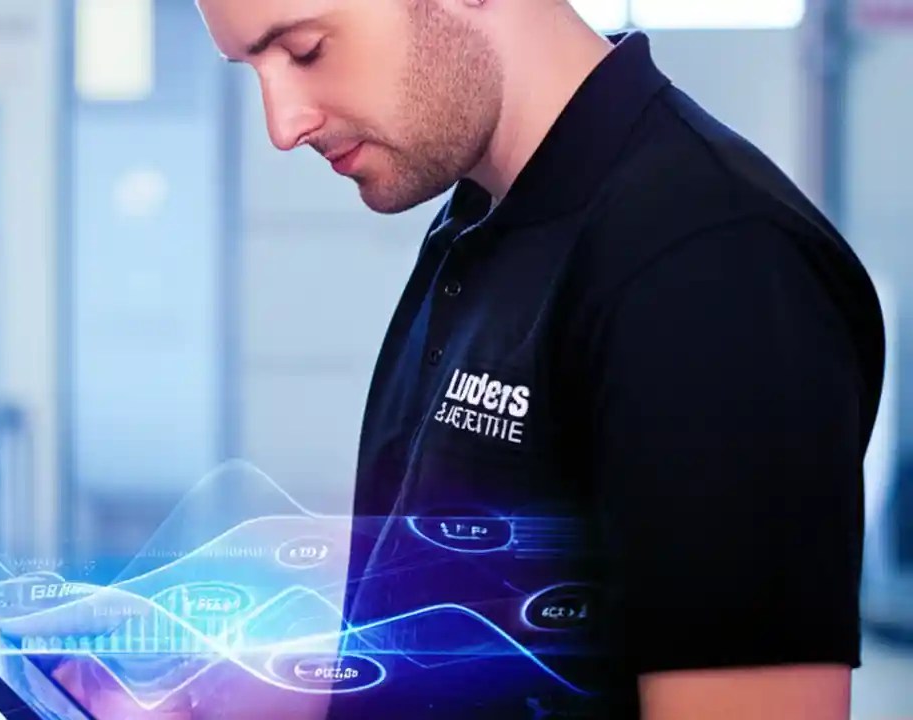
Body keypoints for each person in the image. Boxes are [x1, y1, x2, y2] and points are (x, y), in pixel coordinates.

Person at [57, 0, 886, 717]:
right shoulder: (481, 224)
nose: (282, 125)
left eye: (306, 50)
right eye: (253, 68)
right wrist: (209, 685)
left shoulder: (712, 265)